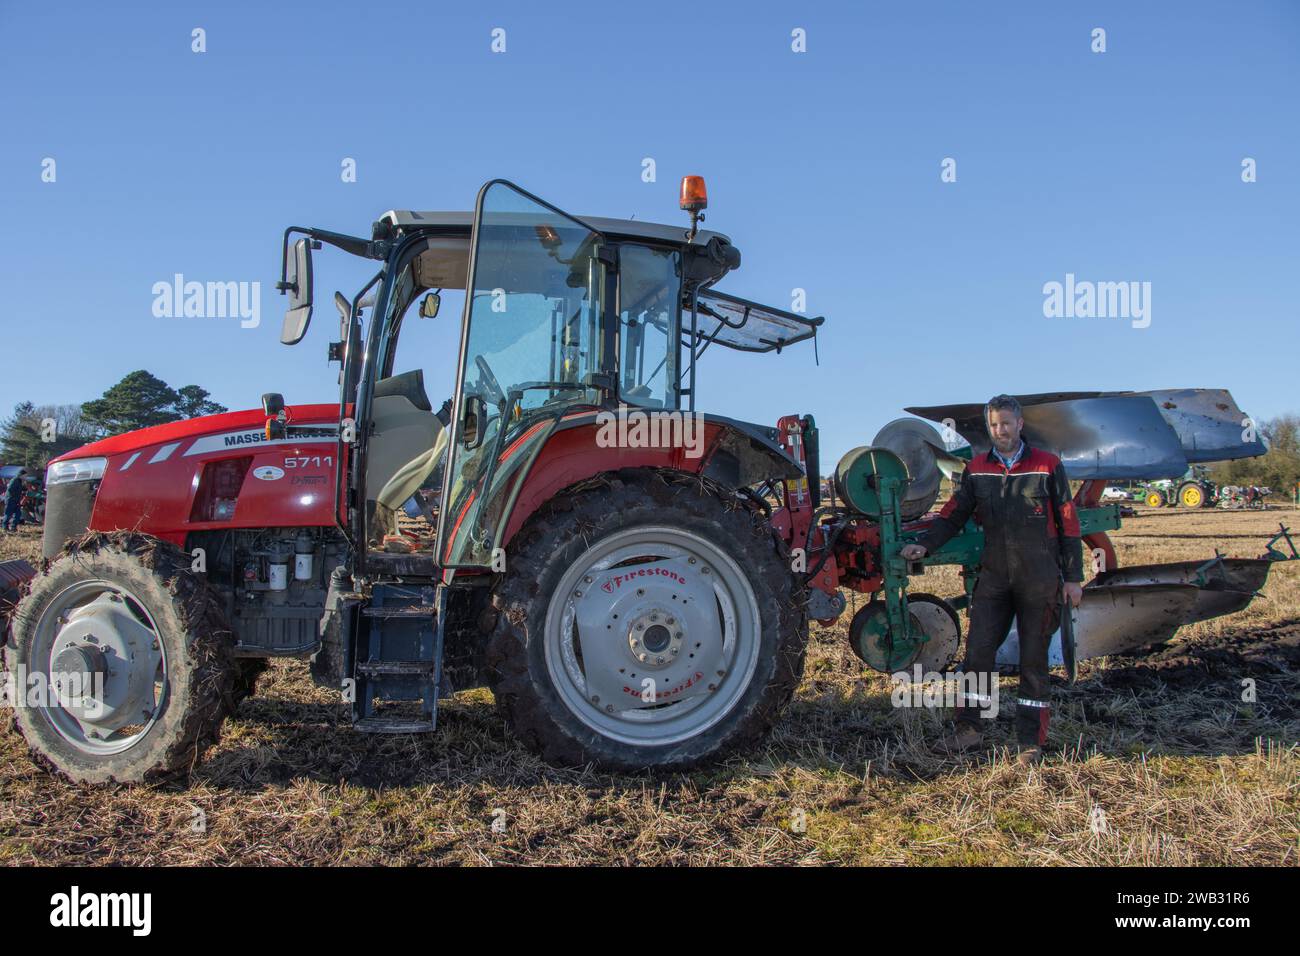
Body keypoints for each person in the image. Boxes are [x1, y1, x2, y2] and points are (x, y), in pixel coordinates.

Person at [900, 395, 1084, 766]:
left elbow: (1068, 522)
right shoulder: (978, 469)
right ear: (990, 428)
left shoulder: (1047, 466)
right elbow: (954, 515)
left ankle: (1030, 740)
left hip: (1040, 577)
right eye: (994, 425)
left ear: (1019, 425)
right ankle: (969, 729)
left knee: (1033, 659)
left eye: (1006, 423)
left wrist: (1074, 578)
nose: (1001, 430)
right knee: (979, 652)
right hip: (996, 576)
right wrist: (924, 544)